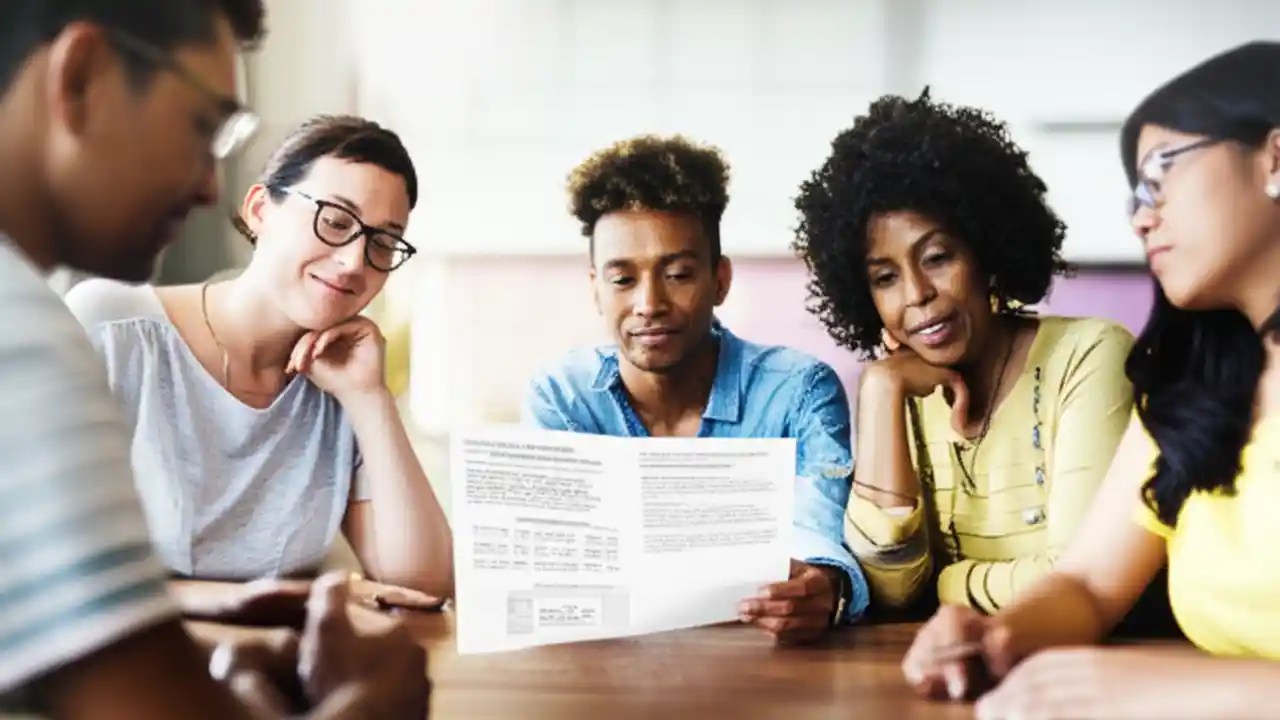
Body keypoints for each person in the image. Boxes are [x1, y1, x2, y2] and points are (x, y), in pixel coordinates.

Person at [0, 1, 427, 717]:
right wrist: (370, 707)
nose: (207, 188)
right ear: (81, 78)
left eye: (382, 242)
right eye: (203, 127)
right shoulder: (36, 336)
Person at [902, 42, 1280, 720]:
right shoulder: (1189, 389)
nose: (1141, 216)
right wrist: (999, 636)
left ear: (1275, 156)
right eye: (1136, 193)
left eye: (1162, 174)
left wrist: (1172, 691)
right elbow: (1087, 585)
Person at [65, 115, 454, 606]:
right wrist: (235, 601)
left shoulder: (341, 382)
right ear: (258, 210)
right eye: (335, 221)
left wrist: (369, 399)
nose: (355, 262)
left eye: (382, 243)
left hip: (282, 672)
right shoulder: (113, 327)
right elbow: (34, 560)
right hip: (127, 669)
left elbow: (423, 582)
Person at [792, 91, 1134, 614]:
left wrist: (945, 585)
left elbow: (1075, 580)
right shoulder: (900, 385)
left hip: (1080, 673)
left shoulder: (1087, 356)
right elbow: (890, 589)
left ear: (986, 250)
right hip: (940, 670)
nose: (915, 294)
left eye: (937, 257)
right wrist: (881, 389)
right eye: (885, 278)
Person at [524, 134, 869, 643]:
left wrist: (824, 586)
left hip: (764, 672)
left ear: (720, 280)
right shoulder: (561, 397)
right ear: (595, 287)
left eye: (679, 273)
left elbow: (818, 538)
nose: (649, 303)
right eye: (622, 281)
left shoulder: (799, 390)